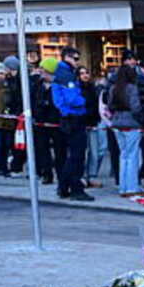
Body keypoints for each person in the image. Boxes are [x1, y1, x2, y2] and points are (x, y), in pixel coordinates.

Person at [51, 46, 93, 201]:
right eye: (75, 58)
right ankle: (75, 188)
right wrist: (84, 101)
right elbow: (72, 99)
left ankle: (63, 187)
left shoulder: (61, 73)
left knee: (70, 156)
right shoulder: (66, 75)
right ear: (67, 57)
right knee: (77, 156)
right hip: (74, 117)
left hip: (67, 117)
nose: (77, 62)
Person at [108, 64, 144, 198]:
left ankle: (123, 187)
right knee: (133, 155)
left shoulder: (113, 88)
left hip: (117, 122)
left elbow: (110, 105)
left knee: (123, 155)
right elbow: (136, 107)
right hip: (131, 123)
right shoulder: (132, 88)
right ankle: (132, 186)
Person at [77, 66, 104, 189]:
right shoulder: (77, 88)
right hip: (82, 124)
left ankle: (91, 175)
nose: (85, 75)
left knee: (95, 151)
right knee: (84, 152)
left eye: (87, 72)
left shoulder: (93, 88)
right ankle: (82, 176)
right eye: (82, 73)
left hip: (93, 123)